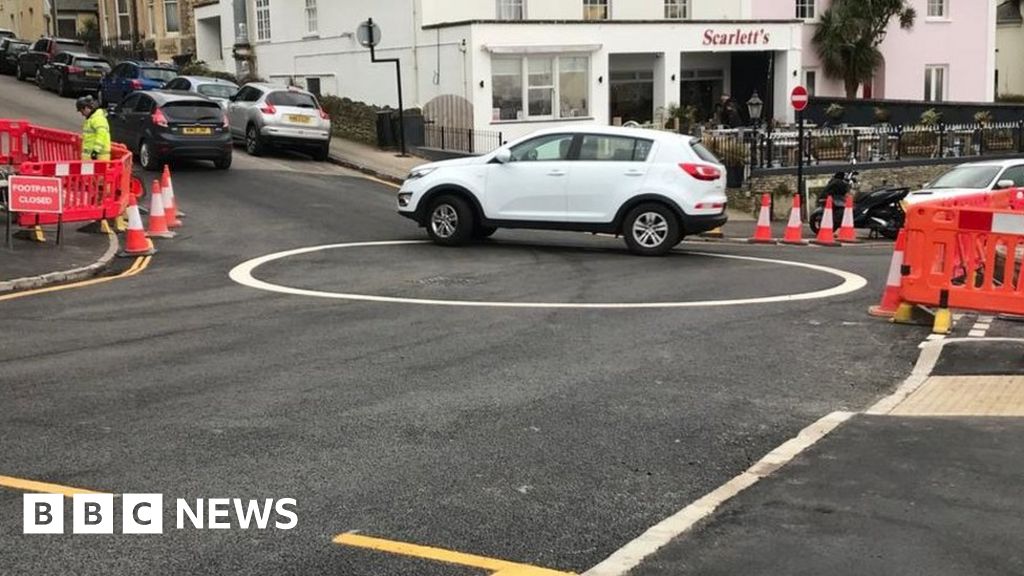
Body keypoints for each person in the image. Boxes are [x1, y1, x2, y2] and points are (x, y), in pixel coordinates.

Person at [77, 95, 110, 161]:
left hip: (98, 157)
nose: (82, 114)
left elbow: (101, 134)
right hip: (92, 157)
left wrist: (96, 151)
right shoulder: (92, 119)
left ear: (86, 108)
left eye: (81, 111)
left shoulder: (97, 118)